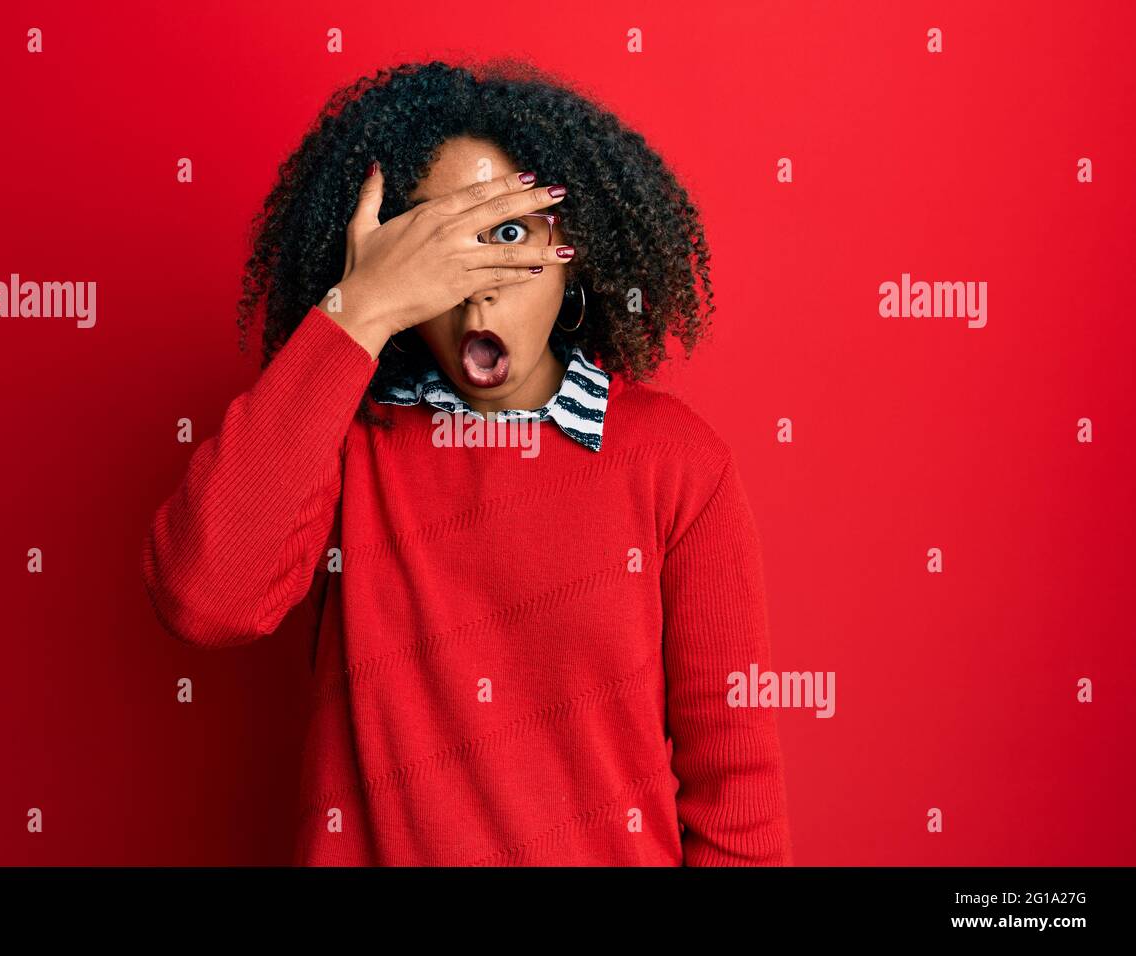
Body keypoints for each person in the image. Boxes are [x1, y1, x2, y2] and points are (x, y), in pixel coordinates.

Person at [141, 58, 793, 866]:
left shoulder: (678, 466)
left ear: (573, 250)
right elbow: (206, 599)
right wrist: (360, 309)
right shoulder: (346, 438)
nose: (474, 285)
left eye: (507, 233)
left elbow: (739, 806)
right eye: (436, 244)